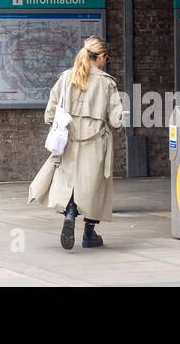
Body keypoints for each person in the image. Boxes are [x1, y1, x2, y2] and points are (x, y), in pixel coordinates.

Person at [28, 36, 125, 250]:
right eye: (105, 58)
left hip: (69, 140)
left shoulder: (66, 78)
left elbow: (51, 111)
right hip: (96, 141)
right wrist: (122, 119)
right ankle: (89, 233)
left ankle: (70, 212)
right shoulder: (107, 82)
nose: (104, 62)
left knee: (70, 181)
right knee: (95, 185)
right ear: (100, 57)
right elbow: (116, 119)